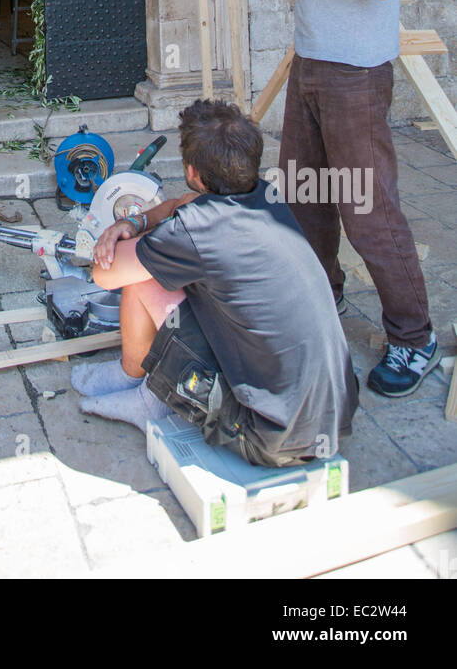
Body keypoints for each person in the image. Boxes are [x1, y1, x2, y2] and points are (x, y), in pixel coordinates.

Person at [241, 0, 438, 398]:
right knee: (307, 195)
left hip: (353, 73)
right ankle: (322, 300)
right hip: (316, 66)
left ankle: (415, 338)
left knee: (367, 209)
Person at [72, 99, 359, 467]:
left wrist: (120, 231)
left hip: (268, 435)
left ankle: (146, 398)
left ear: (192, 171)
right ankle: (131, 377)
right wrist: (140, 222)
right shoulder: (267, 197)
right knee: (171, 271)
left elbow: (105, 274)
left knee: (144, 277)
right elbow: (182, 203)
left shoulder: (195, 231)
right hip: (333, 416)